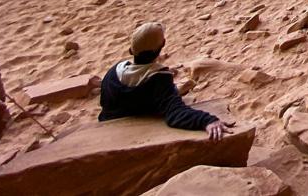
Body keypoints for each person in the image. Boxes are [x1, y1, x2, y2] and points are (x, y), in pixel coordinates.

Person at [98, 22, 232, 140]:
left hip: (108, 124)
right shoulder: (158, 78)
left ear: (131, 50)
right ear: (162, 44)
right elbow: (175, 114)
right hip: (136, 133)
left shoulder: (112, 73)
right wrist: (207, 121)